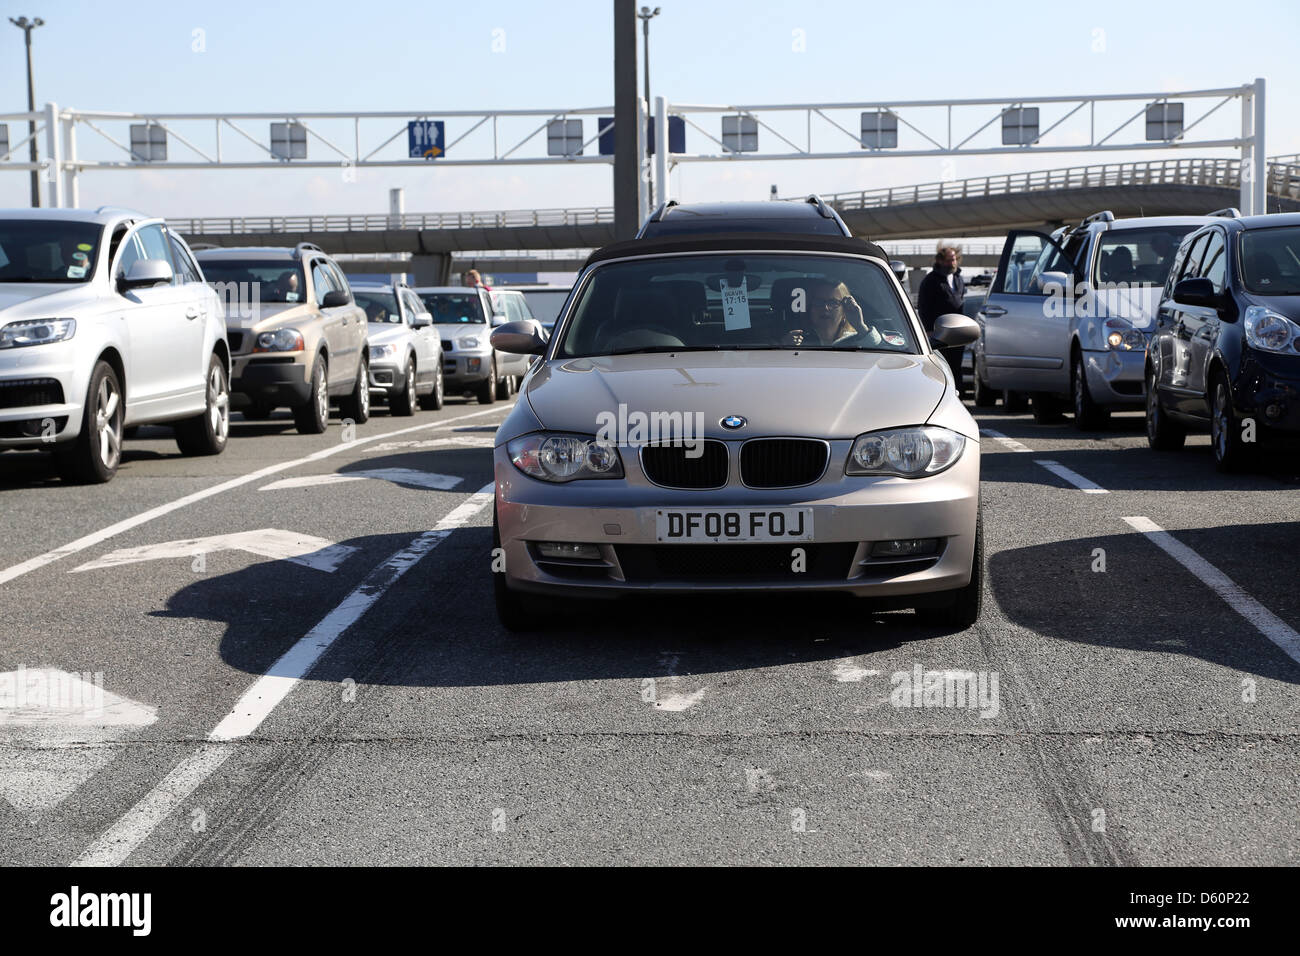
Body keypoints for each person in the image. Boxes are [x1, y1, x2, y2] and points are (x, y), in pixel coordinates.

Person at [780, 278, 881, 347]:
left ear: (845, 308)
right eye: (819, 302)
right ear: (810, 307)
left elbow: (878, 349)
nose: (825, 308)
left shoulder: (857, 340)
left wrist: (860, 326)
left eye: (833, 302)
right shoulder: (797, 340)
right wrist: (785, 347)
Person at [917, 243, 967, 381]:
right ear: (940, 261)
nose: (952, 263)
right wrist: (928, 330)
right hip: (939, 334)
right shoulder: (931, 281)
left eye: (954, 259)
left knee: (956, 368)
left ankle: (959, 397)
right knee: (941, 369)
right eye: (949, 260)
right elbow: (924, 306)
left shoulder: (958, 279)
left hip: (957, 334)